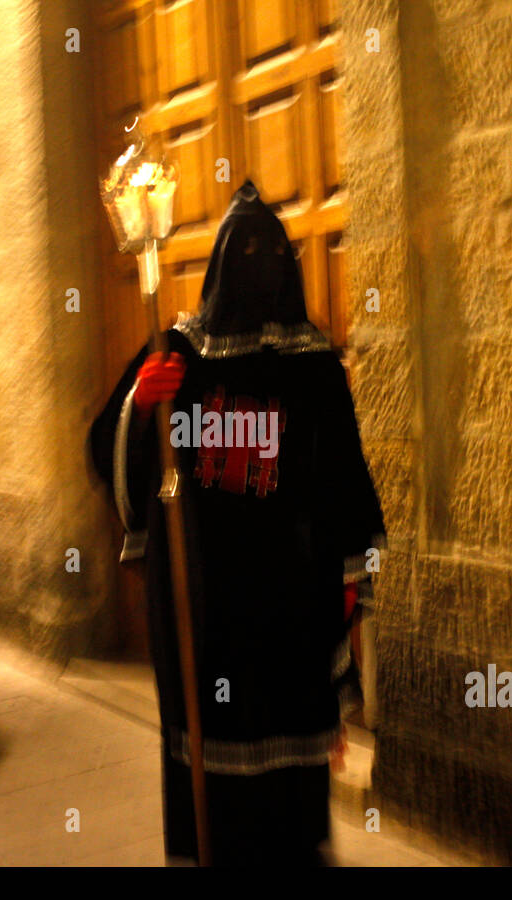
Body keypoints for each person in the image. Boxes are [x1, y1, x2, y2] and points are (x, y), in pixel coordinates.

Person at [90, 180, 386, 865]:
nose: (256, 262)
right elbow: (113, 452)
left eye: (267, 250)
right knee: (213, 757)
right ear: (222, 263)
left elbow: (344, 481)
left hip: (292, 601)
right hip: (206, 600)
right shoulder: (177, 354)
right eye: (242, 248)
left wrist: (346, 583)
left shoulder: (314, 366)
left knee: (291, 766)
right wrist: (143, 403)